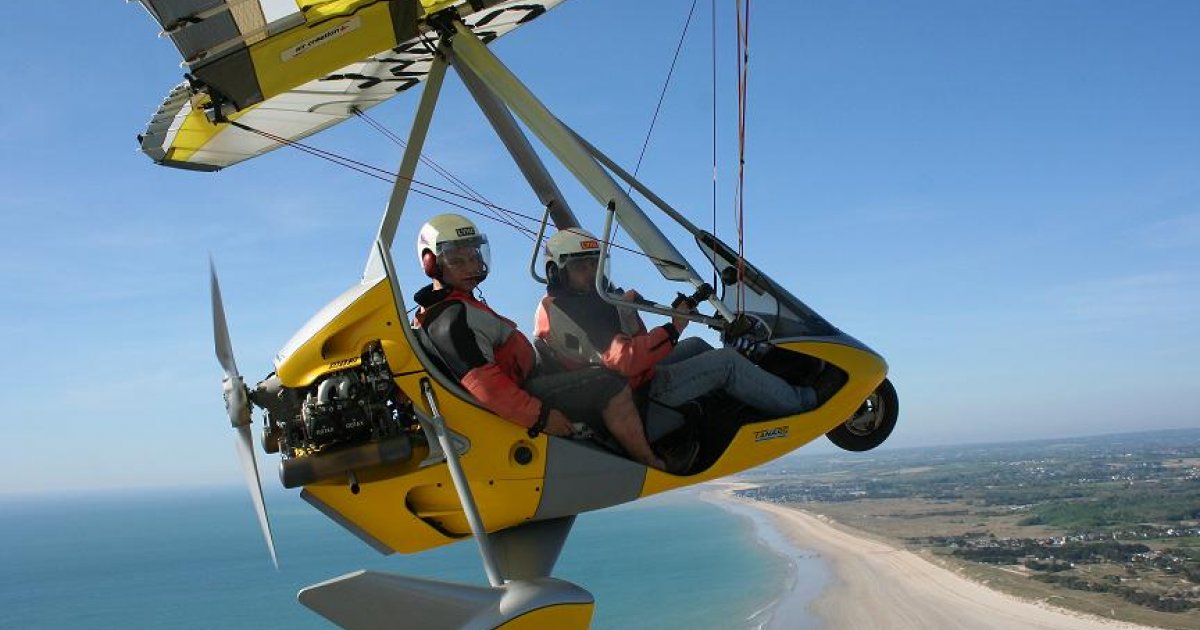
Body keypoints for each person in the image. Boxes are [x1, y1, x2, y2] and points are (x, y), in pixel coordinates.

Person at [411, 214, 670, 471]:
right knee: (608, 382)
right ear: (430, 263)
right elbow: (488, 388)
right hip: (524, 396)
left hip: (530, 383)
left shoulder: (454, 306)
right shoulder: (449, 319)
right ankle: (650, 461)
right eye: (457, 261)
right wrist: (541, 417)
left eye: (473, 257)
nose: (470, 267)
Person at [534, 228, 833, 428]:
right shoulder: (567, 311)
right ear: (556, 272)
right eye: (580, 267)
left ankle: (749, 397)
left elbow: (612, 345)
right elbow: (623, 359)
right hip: (635, 394)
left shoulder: (572, 302)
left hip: (629, 379)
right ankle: (802, 401)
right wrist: (674, 328)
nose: (590, 274)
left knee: (699, 348)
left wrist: (621, 306)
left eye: (594, 265)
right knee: (725, 362)